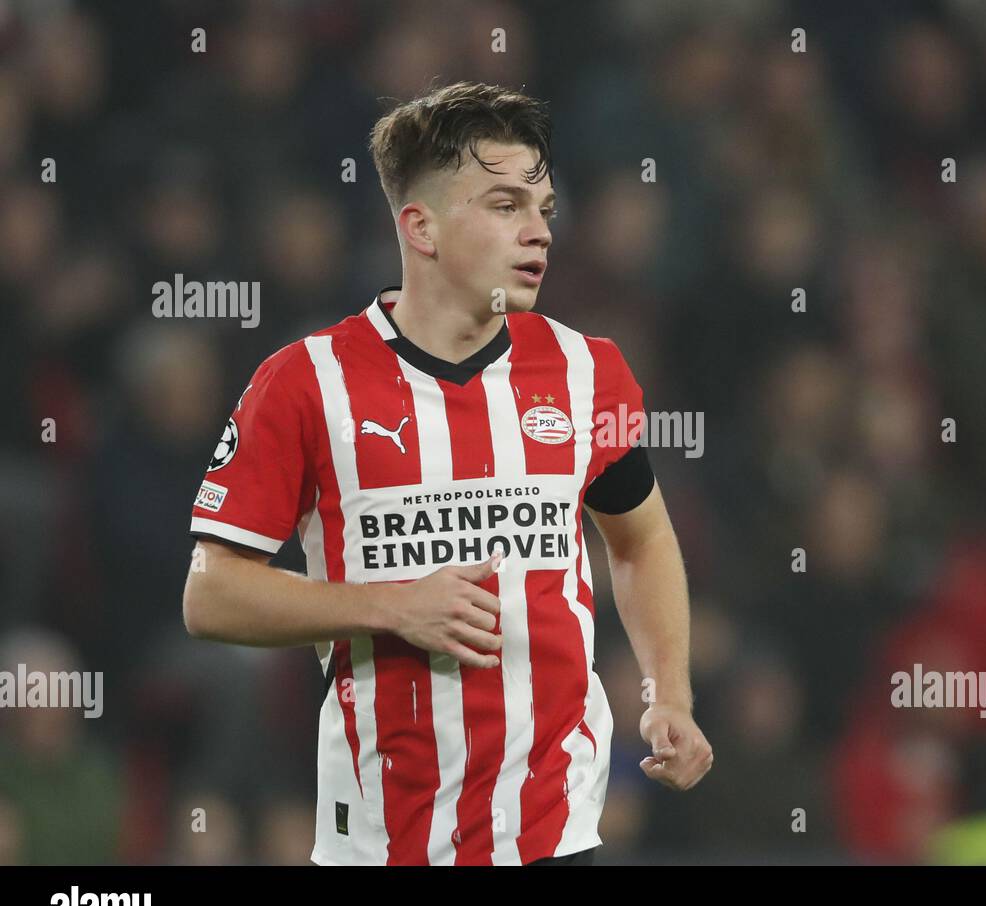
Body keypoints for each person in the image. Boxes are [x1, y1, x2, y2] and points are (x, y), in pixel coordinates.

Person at [181, 81, 712, 865]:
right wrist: (392, 607)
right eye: (505, 207)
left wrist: (671, 692)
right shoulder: (304, 382)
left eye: (546, 211)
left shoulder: (587, 370)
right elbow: (212, 594)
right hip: (382, 838)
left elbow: (640, 539)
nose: (538, 234)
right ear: (420, 226)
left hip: (557, 832)